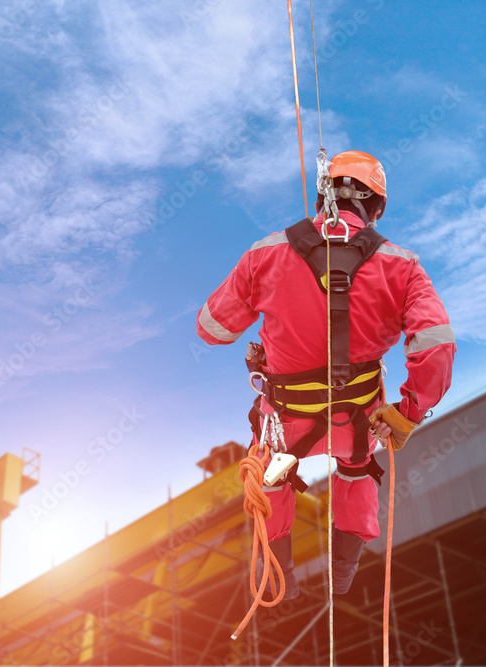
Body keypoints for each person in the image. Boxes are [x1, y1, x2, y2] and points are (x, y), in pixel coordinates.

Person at [195, 150, 455, 597]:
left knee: (271, 474)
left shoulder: (265, 253)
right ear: (375, 208)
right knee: (356, 468)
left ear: (322, 196)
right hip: (357, 420)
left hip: (285, 421)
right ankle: (345, 571)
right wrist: (411, 410)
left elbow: (212, 330)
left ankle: (278, 574)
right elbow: (436, 344)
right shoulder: (403, 264)